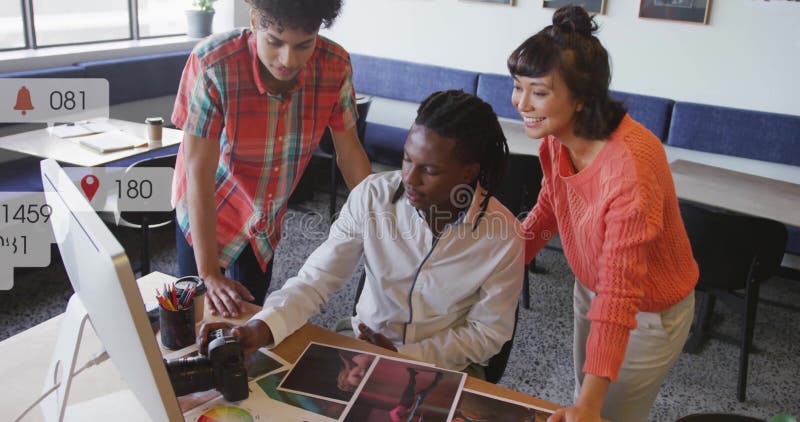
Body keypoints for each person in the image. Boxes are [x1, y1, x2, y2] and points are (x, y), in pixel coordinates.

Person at [198, 89, 524, 374]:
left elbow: (486, 335)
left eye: (430, 170)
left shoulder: (503, 236)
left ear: (469, 172)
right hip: (361, 348)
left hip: (444, 367)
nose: (409, 178)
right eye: (407, 160)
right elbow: (316, 280)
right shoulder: (372, 196)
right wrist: (261, 326)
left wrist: (404, 357)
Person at [508, 6, 698, 422]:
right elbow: (550, 208)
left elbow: (620, 296)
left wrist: (590, 406)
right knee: (585, 393)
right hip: (592, 286)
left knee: (606, 413)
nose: (522, 103)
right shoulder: (556, 136)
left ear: (581, 99)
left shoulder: (629, 166)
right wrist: (501, 267)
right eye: (518, 86)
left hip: (645, 310)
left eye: (538, 92)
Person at [171, 0, 371, 318]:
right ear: (254, 21)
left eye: (304, 45)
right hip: (211, 205)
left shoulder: (335, 65)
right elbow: (199, 172)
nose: (288, 60)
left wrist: (380, 216)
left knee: (249, 314)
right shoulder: (213, 62)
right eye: (274, 42)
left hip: (266, 216)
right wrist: (208, 273)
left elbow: (349, 152)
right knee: (196, 314)